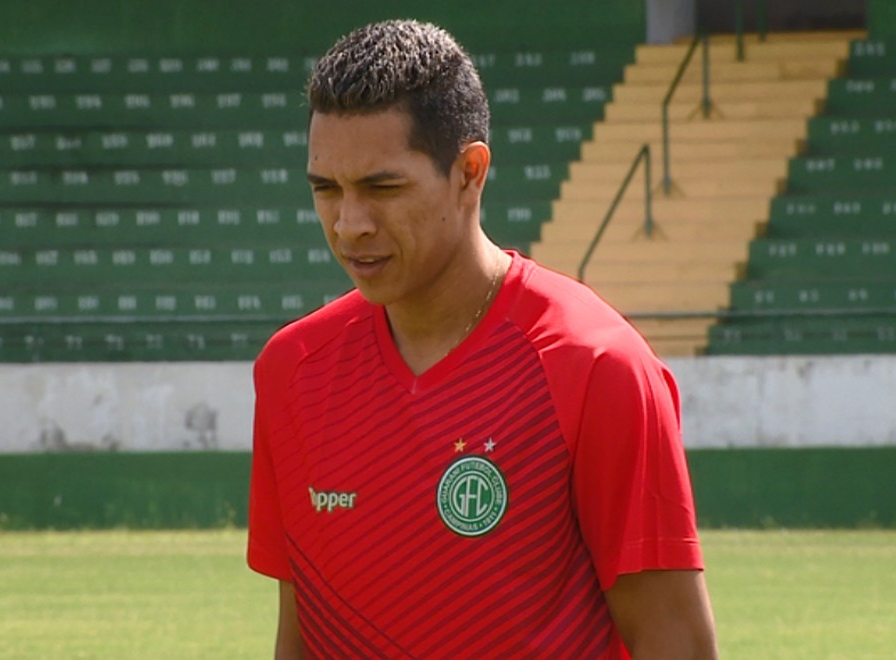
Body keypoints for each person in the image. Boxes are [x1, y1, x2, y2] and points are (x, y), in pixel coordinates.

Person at [247, 19, 717, 659]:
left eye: (383, 187)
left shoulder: (594, 365)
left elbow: (674, 641)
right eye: (326, 189)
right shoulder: (293, 370)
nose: (349, 224)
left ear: (470, 172)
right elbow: (301, 635)